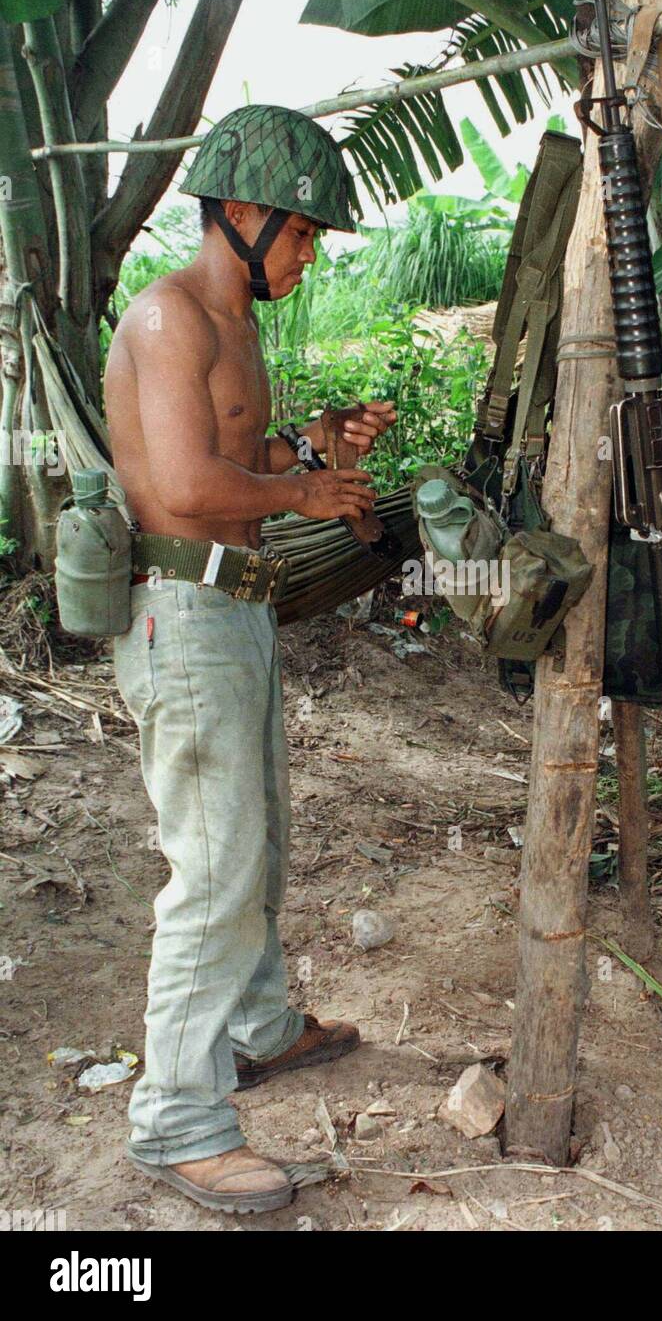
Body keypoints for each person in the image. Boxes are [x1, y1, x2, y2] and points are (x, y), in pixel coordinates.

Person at [104, 104, 396, 1214]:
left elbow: (237, 454)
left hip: (236, 607)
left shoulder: (234, 325)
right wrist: (301, 492)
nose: (310, 251)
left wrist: (310, 445)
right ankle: (175, 1120)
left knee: (257, 842)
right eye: (303, 230)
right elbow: (183, 488)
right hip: (184, 614)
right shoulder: (169, 320)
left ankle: (257, 1029)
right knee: (215, 871)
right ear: (238, 211)